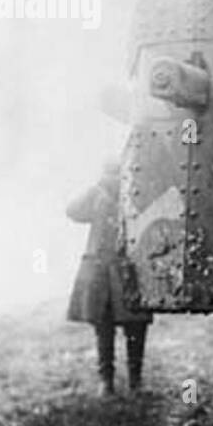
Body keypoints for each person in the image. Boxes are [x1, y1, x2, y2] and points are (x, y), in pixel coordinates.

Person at [66, 158, 153, 396]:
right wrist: (96, 188)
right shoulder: (98, 195)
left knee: (133, 326)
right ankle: (111, 381)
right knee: (106, 327)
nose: (113, 179)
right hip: (103, 270)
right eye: (110, 174)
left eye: (116, 173)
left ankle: (130, 381)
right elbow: (72, 211)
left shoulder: (137, 192)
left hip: (129, 268)